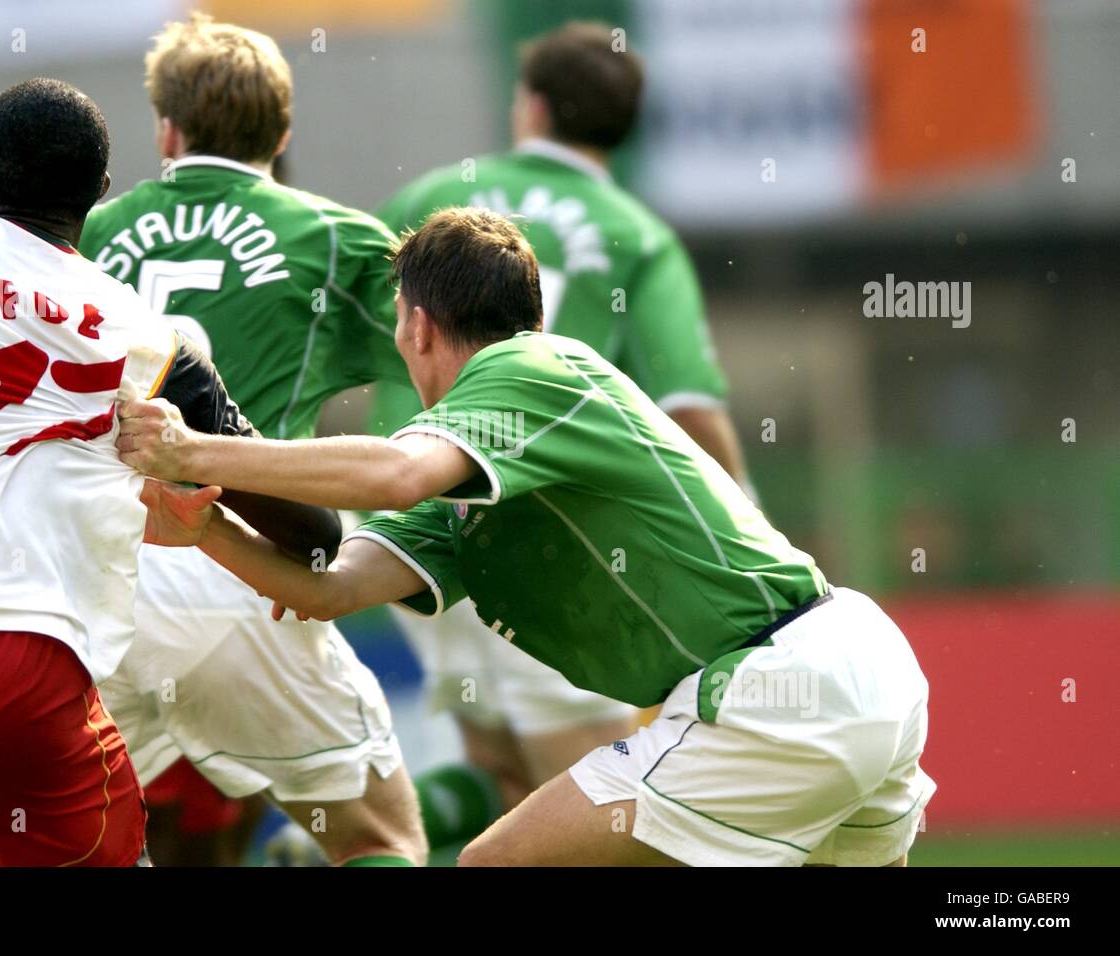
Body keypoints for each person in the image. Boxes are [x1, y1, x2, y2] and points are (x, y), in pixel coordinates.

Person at [117, 208, 936, 866]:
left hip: (775, 689)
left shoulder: (529, 368)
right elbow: (329, 589)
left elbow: (396, 475)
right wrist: (205, 530)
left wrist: (192, 449)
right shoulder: (471, 476)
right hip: (851, 669)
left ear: (415, 328)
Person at [0, 77, 336, 867]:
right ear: (99, 194)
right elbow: (313, 527)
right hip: (24, 667)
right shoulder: (151, 340)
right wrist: (194, 467)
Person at [366, 20, 754, 851]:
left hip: (408, 524)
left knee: (494, 767)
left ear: (532, 107)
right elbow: (690, 404)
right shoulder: (639, 235)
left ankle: (337, 844)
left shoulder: (429, 200)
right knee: (576, 807)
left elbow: (353, 341)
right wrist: (744, 522)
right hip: (546, 541)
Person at [79, 13, 425, 867]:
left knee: (77, 843)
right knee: (379, 837)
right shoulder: (335, 238)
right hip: (238, 569)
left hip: (94, 587)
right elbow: (446, 361)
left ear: (166, 128)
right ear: (284, 130)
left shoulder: (86, 234)